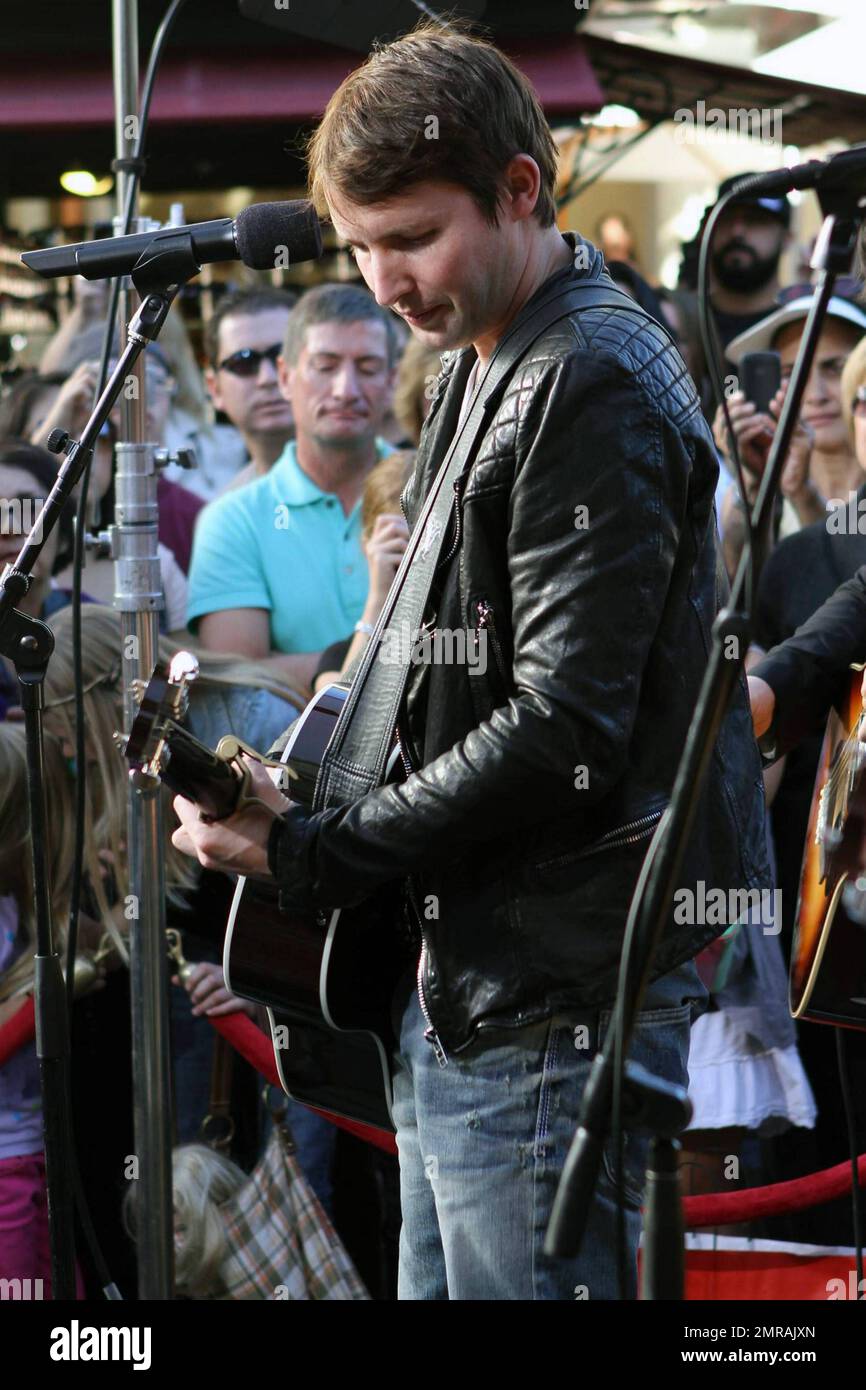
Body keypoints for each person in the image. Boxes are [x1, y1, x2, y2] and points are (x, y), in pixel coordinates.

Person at [171, 19, 769, 1301]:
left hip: (546, 993)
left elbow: (562, 730)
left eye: (411, 238)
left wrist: (314, 851)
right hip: (488, 979)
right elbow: (434, 667)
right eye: (360, 246)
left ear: (519, 188)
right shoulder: (489, 356)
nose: (385, 282)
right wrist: (301, 790)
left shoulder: (587, 372)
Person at [187, 283, 398, 694]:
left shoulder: (436, 488)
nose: (346, 390)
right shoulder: (232, 521)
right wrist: (342, 661)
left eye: (368, 368)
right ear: (287, 377)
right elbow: (239, 683)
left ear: (392, 381)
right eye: (325, 365)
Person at [716, 293, 866, 576]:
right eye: (791, 375)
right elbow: (741, 594)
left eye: (836, 368)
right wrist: (753, 485)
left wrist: (802, 496)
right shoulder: (756, 490)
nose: (814, 395)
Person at [201, 287, 299, 495]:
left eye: (283, 356)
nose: (268, 378)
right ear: (214, 388)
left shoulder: (377, 481)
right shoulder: (226, 516)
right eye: (243, 363)